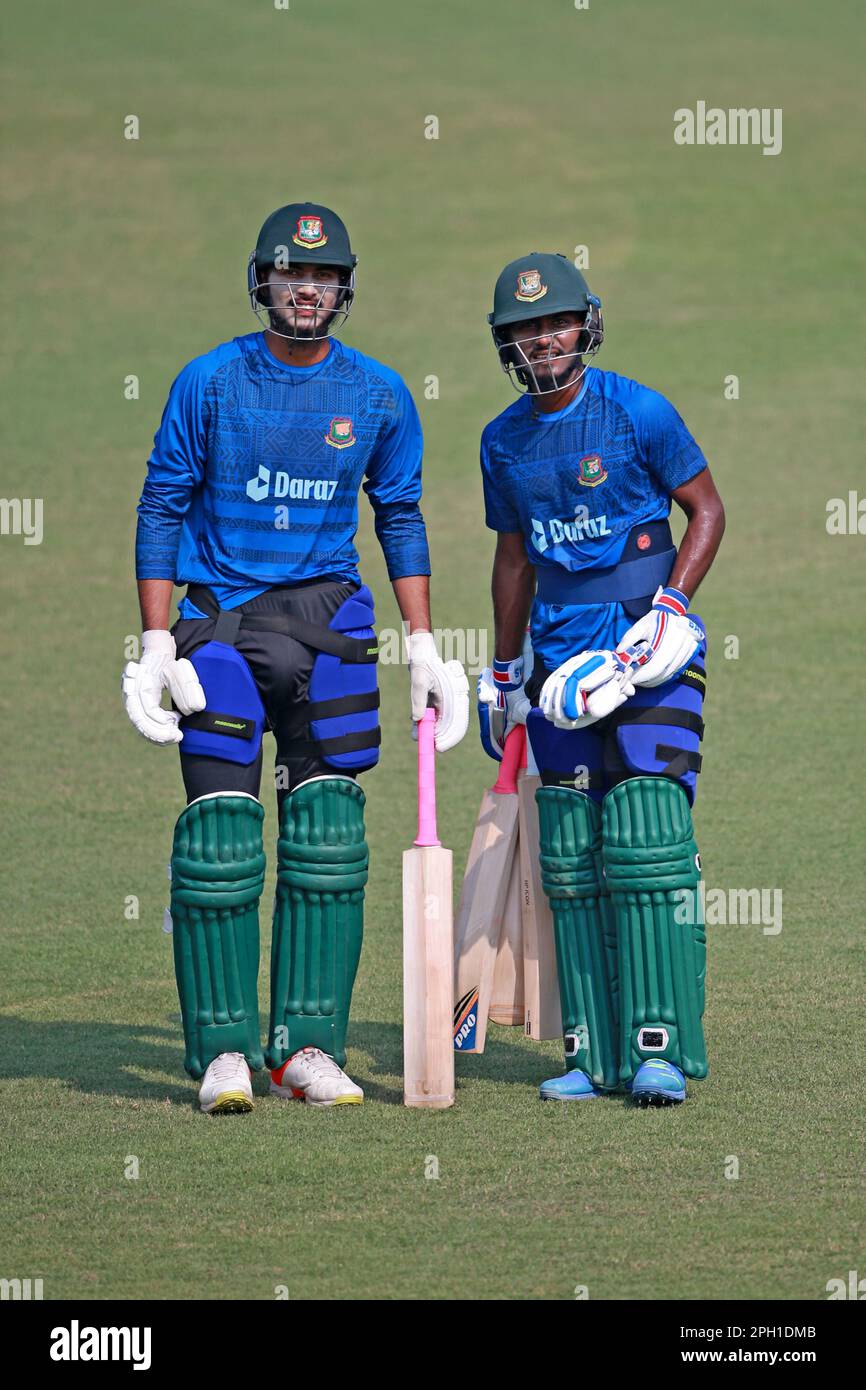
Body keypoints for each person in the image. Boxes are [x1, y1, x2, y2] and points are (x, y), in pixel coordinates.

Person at [122, 201, 468, 1114]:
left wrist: (425, 644)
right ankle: (225, 1055)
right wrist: (155, 641)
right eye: (290, 274)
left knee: (328, 840)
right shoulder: (208, 381)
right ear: (262, 281)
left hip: (331, 625)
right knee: (222, 842)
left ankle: (306, 1050)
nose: (306, 288)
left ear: (344, 289)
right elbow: (160, 505)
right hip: (222, 624)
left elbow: (400, 517)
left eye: (322, 277)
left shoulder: (379, 394)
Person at [477, 252, 724, 1105]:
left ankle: (662, 1047)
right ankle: (592, 1051)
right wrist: (503, 672)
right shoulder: (502, 441)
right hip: (558, 669)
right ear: (505, 343)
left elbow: (708, 509)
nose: (542, 340)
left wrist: (672, 610)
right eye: (524, 330)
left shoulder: (637, 410)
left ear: (585, 323)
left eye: (555, 323)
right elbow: (513, 560)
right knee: (573, 857)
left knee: (648, 839)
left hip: (650, 653)